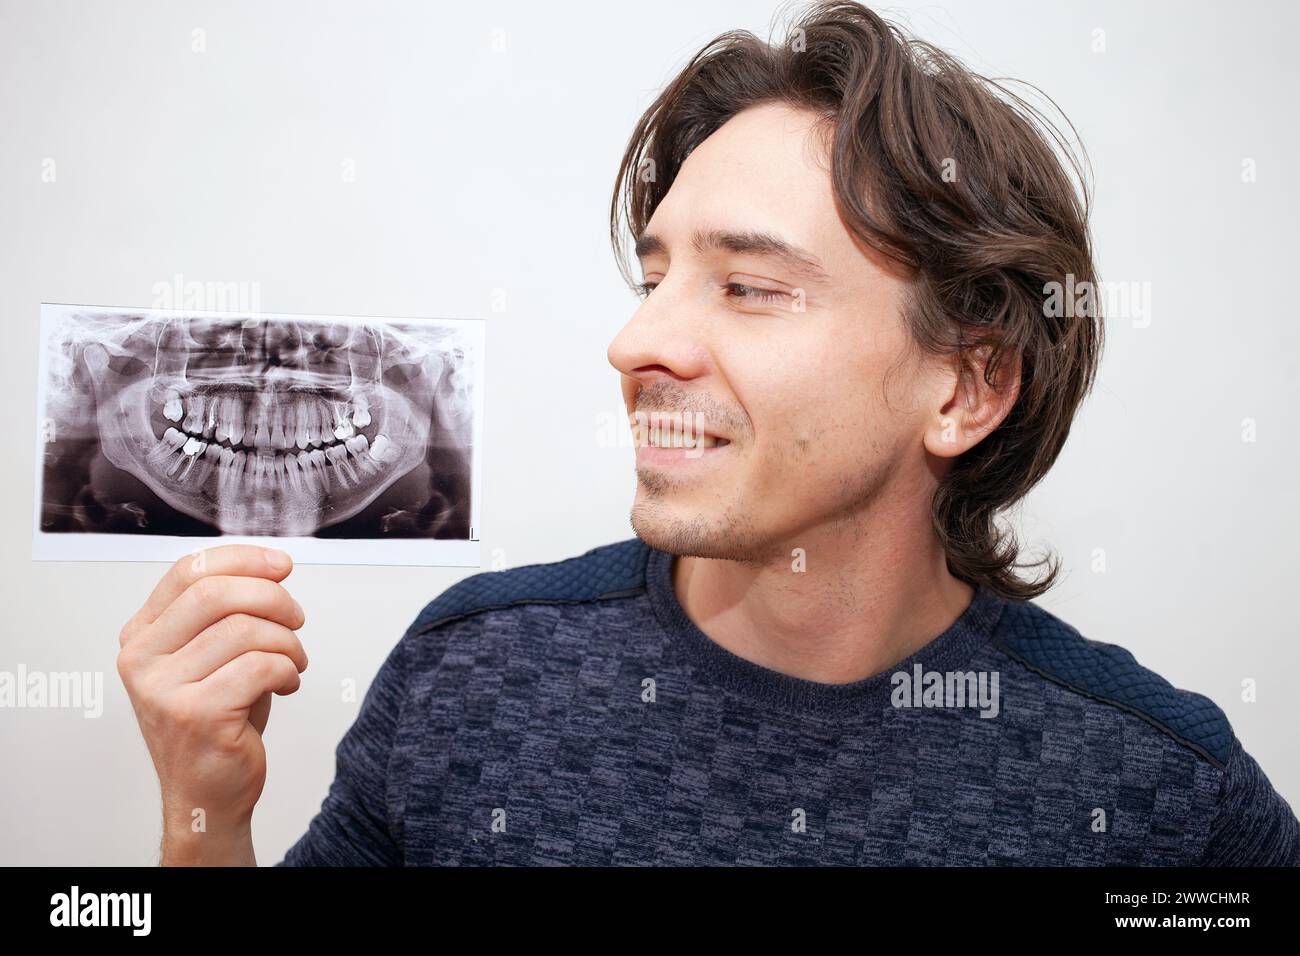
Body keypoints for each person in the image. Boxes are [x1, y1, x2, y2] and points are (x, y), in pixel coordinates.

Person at [117, 0, 1299, 865]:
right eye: (654, 279)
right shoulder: (467, 675)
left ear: (965, 388)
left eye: (748, 287)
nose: (635, 346)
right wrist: (204, 813)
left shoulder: (1161, 798)